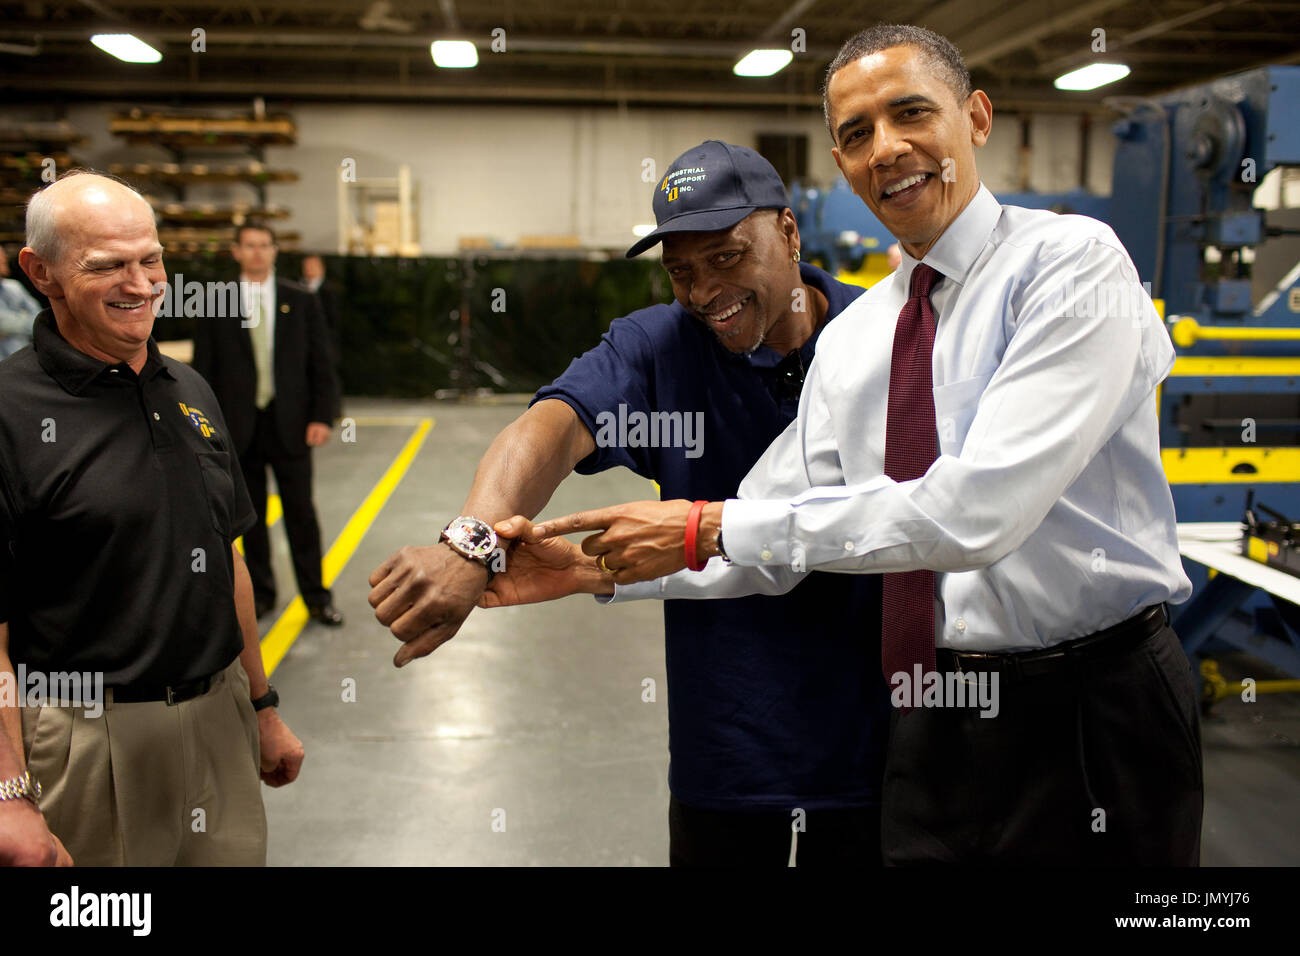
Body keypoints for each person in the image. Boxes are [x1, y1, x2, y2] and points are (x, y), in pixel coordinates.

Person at [485, 25, 1203, 866]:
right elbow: (775, 524)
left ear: (975, 117)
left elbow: (979, 512)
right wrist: (594, 570)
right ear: (840, 160)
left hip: (1092, 706)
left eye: (911, 114)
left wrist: (708, 526)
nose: (887, 149)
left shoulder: (1069, 267)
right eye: (857, 134)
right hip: (931, 713)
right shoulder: (864, 335)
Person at [369, 141, 891, 866]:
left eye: (727, 257)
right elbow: (550, 429)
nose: (704, 290)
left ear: (789, 231)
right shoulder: (662, 346)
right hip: (729, 748)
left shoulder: (882, 337)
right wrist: (472, 541)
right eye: (681, 271)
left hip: (880, 746)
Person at [1, 171, 304, 865]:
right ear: (39, 272)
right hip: (86, 742)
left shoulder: (189, 389)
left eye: (151, 260)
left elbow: (226, 559)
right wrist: (9, 793)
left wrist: (261, 708)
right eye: (107, 266)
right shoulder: (10, 412)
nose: (140, 285)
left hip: (219, 723)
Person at [193, 222, 344, 625]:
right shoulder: (216, 300)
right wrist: (207, 427)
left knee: (301, 513)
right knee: (250, 517)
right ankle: (261, 594)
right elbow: (203, 368)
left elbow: (321, 363)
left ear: (276, 251)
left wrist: (322, 416)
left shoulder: (299, 299)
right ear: (236, 251)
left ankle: (316, 596)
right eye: (250, 246)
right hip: (237, 428)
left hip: (291, 424)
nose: (258, 252)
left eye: (265, 245)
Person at [301, 254, 343, 383]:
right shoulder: (297, 288)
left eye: (313, 265)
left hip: (324, 342)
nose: (309, 269)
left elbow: (333, 319)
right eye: (306, 266)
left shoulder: (331, 290)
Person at [0, 248, 41, 358]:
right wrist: (23, 316)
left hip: (25, 358)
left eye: (3, 254)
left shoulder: (15, 287)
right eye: (0, 256)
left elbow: (39, 319)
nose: (4, 258)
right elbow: (3, 324)